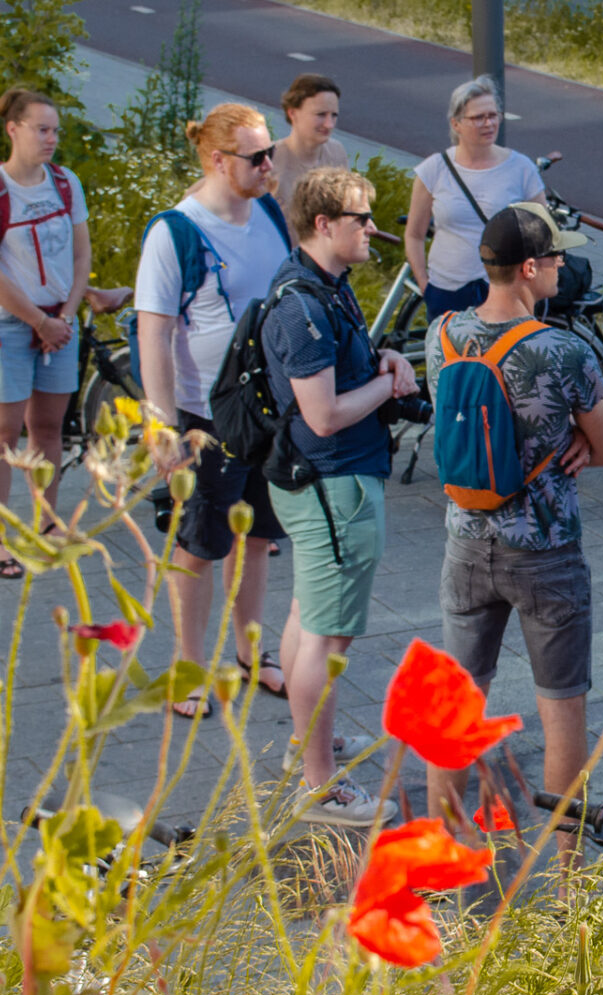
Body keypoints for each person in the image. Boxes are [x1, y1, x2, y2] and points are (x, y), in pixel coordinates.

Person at [426, 202, 603, 839]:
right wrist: (577, 439)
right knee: (561, 710)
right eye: (556, 257)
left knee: (456, 705)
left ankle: (441, 853)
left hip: (465, 542)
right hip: (545, 551)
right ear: (530, 268)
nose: (563, 267)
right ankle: (566, 877)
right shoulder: (563, 350)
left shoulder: (442, 335)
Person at [263, 167, 418, 825]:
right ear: (324, 224)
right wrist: (391, 386)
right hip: (334, 484)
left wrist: (385, 359)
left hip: (325, 482)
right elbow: (323, 415)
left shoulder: (322, 285)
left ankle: (308, 745)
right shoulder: (301, 307)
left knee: (308, 617)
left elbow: (345, 369)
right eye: (362, 218)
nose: (373, 229)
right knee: (328, 640)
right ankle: (319, 785)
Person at [134, 103, 294, 718]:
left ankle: (250, 654)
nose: (269, 164)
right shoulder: (176, 231)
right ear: (218, 159)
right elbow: (154, 333)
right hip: (206, 417)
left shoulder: (269, 213)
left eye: (270, 152)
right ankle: (189, 667)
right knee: (201, 545)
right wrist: (160, 425)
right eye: (257, 156)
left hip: (267, 413)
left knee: (257, 539)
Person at [0, 87, 90, 580]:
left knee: (49, 429)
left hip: (59, 323)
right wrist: (40, 322)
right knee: (2, 433)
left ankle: (47, 522)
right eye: (42, 129)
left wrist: (66, 318)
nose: (51, 139)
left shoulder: (65, 183)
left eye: (55, 130)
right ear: (13, 129)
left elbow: (81, 255)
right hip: (8, 325)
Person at [404, 75, 548, 318]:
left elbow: (543, 233)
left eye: (493, 115)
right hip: (447, 291)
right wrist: (424, 284)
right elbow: (414, 234)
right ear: (456, 124)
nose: (488, 123)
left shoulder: (521, 168)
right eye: (478, 117)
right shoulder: (434, 169)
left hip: (505, 291)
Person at [270, 74, 349, 221]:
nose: (329, 124)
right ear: (292, 113)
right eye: (321, 115)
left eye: (334, 115)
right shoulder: (269, 159)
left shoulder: (337, 154)